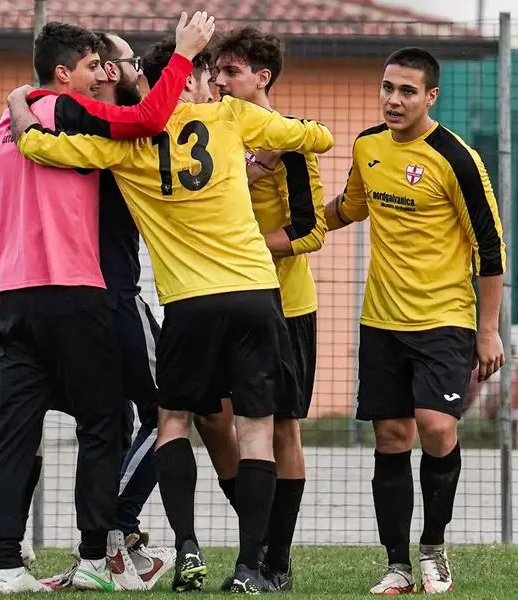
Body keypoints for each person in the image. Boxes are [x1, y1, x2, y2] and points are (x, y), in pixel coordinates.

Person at [7, 35, 334, 594]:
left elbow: (39, 147)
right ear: (192, 80)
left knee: (173, 421)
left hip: (187, 303)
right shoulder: (232, 117)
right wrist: (268, 135)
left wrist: (19, 102)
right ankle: (252, 568)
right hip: (255, 293)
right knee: (257, 432)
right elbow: (318, 137)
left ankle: (185, 549)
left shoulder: (123, 147)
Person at [0, 13, 215, 594]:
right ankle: (96, 555)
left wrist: (17, 98)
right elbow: (147, 118)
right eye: (91, 66)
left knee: (13, 431)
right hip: (75, 292)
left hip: (13, 295)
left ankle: (7, 565)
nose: (100, 74)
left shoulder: (10, 121)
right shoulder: (67, 110)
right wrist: (184, 53)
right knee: (105, 424)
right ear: (65, 73)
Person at [324, 47, 506, 595]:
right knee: (391, 436)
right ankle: (397, 565)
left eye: (407, 91)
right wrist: (292, 231)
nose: (394, 100)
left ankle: (434, 548)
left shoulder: (457, 158)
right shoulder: (366, 146)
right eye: (387, 88)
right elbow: (350, 207)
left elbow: (491, 249)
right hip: (381, 319)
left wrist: (489, 328)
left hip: (445, 317)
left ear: (431, 96)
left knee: (436, 426)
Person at [36, 31, 178, 592]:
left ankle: (108, 541)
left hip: (85, 297)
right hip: (111, 296)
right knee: (168, 408)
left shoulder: (111, 128)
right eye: (105, 63)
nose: (108, 70)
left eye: (105, 62)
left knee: (114, 423)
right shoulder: (98, 125)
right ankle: (112, 529)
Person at [188, 26, 326, 592]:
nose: (219, 82)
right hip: (221, 300)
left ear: (261, 78)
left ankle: (276, 560)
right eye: (215, 72)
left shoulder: (288, 139)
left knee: (281, 430)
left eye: (231, 73)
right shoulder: (218, 133)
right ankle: (257, 539)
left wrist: (244, 243)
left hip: (284, 308)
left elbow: (309, 230)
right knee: (211, 417)